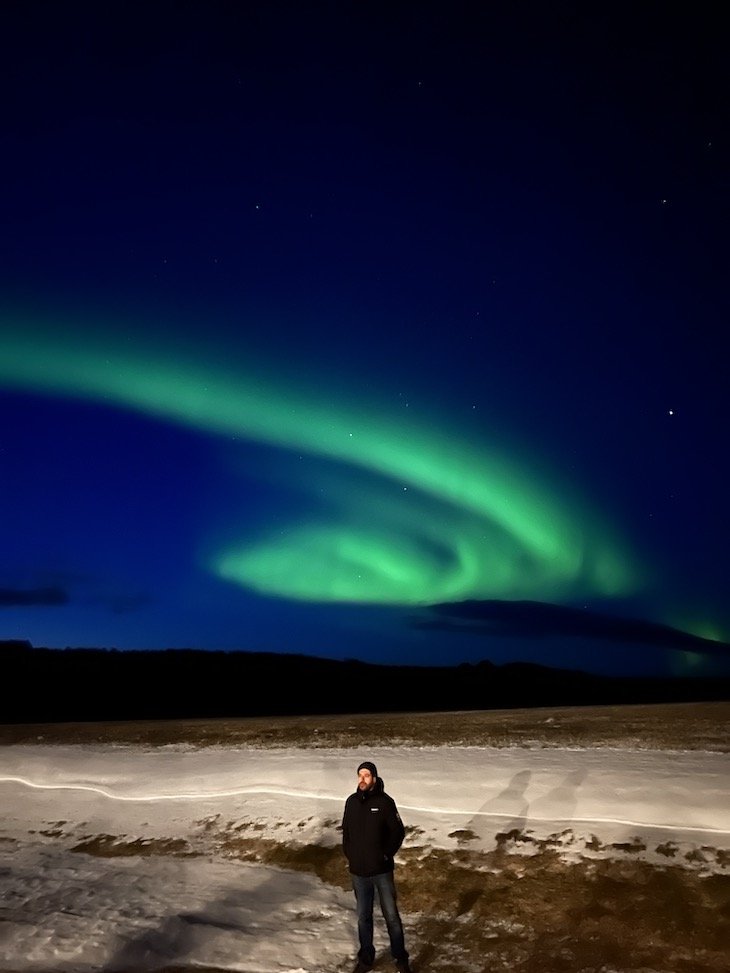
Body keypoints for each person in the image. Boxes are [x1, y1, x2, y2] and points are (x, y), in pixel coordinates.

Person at [342, 760, 411, 973]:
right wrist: (350, 854)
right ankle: (366, 958)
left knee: (391, 916)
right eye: (360, 775)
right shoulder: (351, 802)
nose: (362, 779)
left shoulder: (385, 802)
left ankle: (400, 958)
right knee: (364, 918)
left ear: (374, 778)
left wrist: (385, 854)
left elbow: (398, 831)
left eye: (367, 775)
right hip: (358, 873)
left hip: (381, 871)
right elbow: (346, 832)